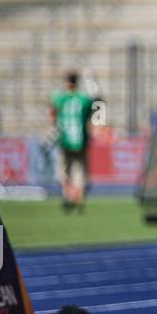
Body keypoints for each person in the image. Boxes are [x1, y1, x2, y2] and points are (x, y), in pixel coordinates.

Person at [50, 72, 94, 212]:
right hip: (81, 140)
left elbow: (53, 112)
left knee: (64, 169)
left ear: (67, 83)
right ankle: (79, 196)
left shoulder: (59, 98)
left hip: (64, 139)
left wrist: (55, 127)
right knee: (80, 169)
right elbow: (90, 115)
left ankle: (67, 196)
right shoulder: (84, 99)